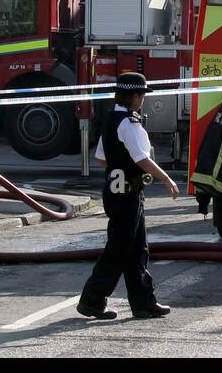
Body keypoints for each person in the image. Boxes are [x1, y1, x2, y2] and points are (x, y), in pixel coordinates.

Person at [77, 72, 179, 320]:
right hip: (127, 194)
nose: (142, 99)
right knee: (119, 250)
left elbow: (102, 157)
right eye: (142, 94)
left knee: (136, 249)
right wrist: (166, 178)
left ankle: (143, 302)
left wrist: (119, 170)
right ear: (135, 96)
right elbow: (142, 158)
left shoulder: (112, 119)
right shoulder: (129, 122)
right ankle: (92, 300)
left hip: (116, 191)